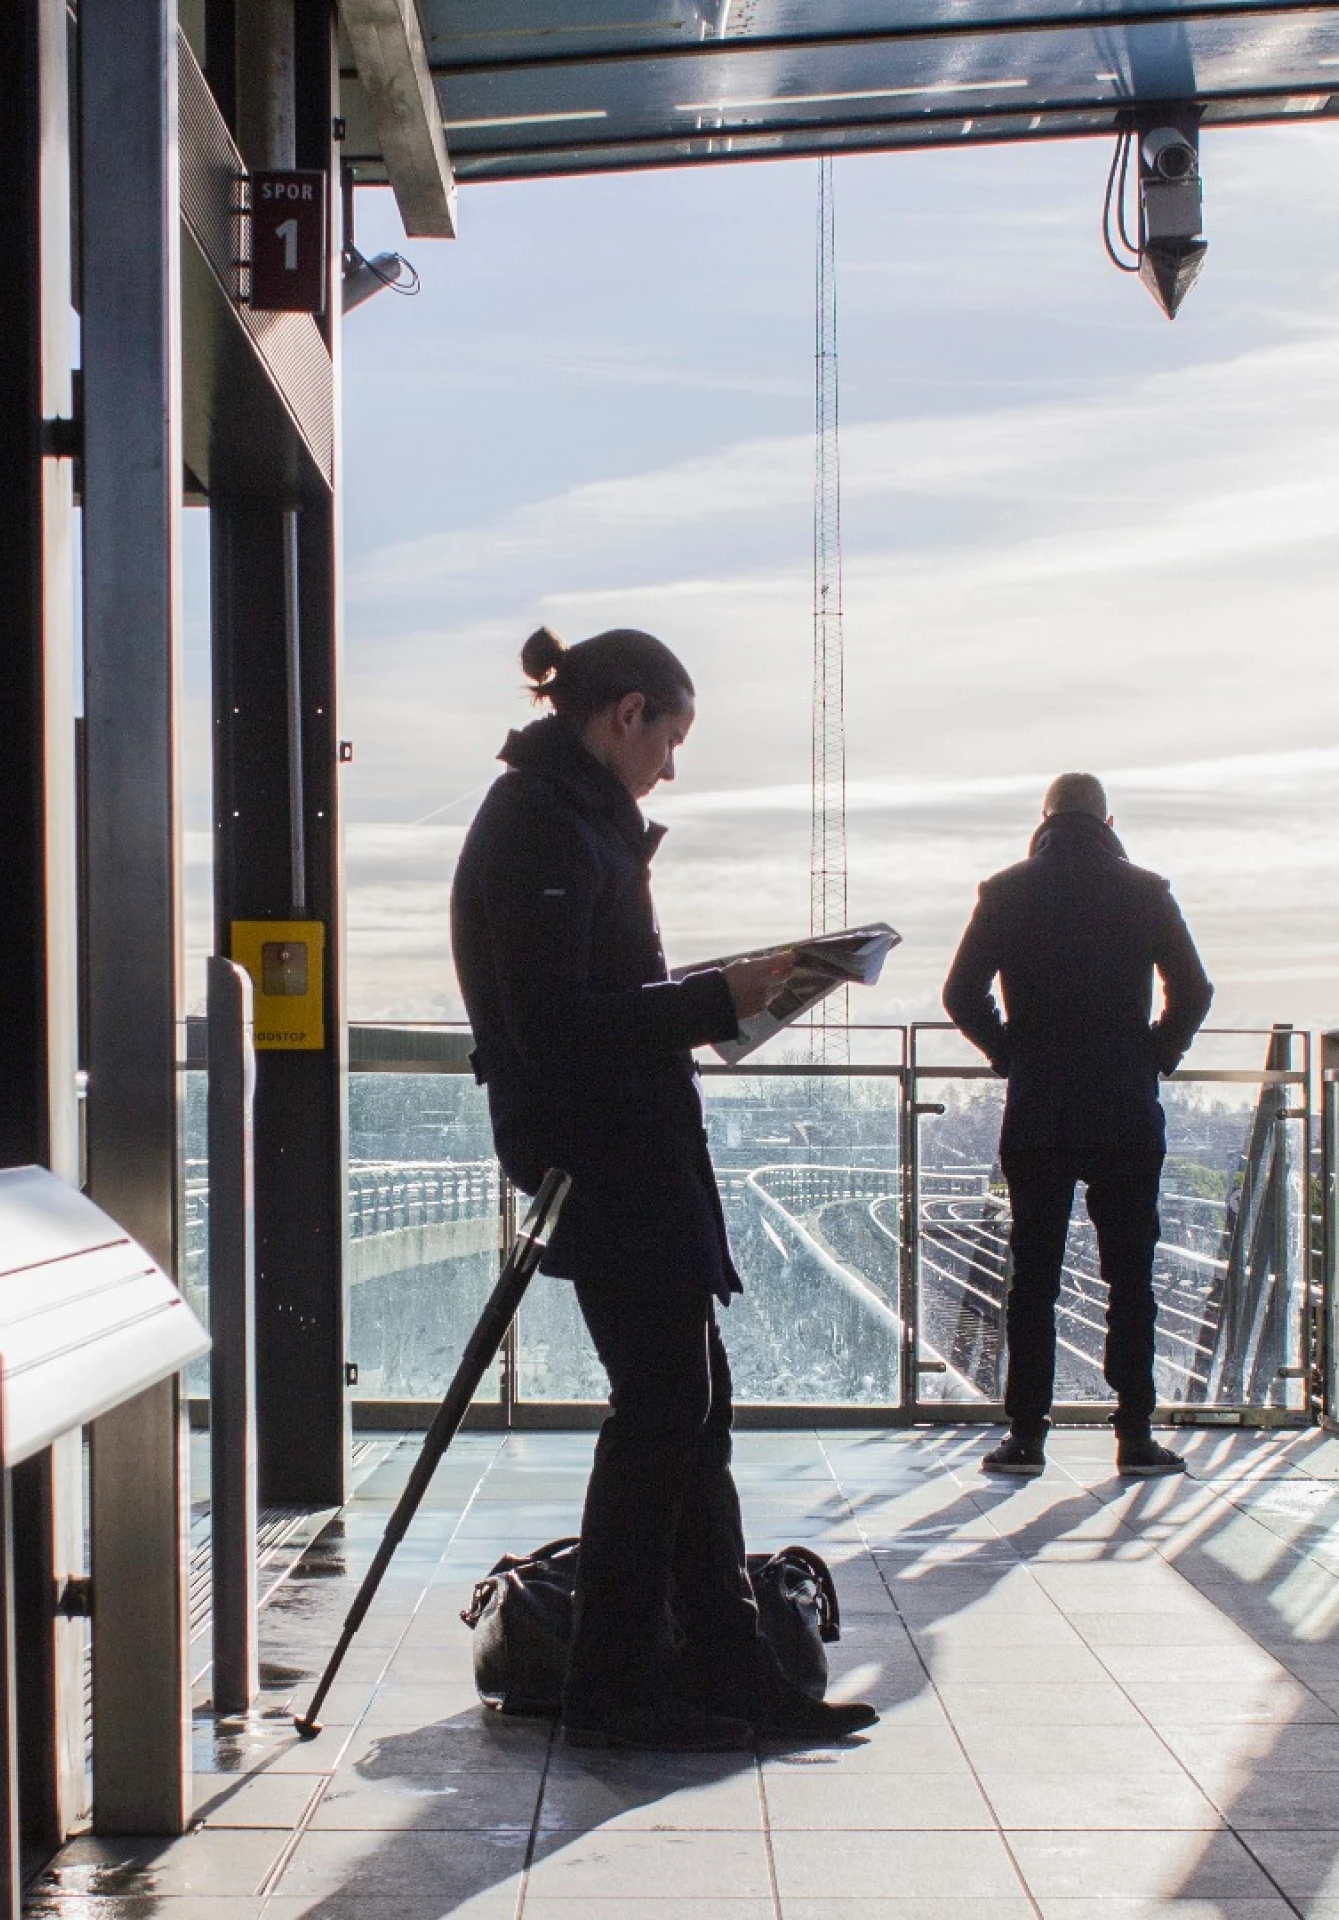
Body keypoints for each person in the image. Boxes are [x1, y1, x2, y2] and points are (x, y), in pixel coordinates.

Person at [450, 625, 881, 1752]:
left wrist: (724, 988)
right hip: (602, 1154)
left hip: (622, 1147)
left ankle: (719, 1668)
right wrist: (710, 998)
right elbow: (555, 1025)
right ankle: (622, 1687)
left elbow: (589, 1001)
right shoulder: (543, 825)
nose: (671, 768)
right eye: (671, 738)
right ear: (627, 712)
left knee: (685, 1410)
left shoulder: (568, 816)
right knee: (662, 1416)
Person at [942, 773, 1214, 1478]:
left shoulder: (1004, 892)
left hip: (1040, 1110)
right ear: (1107, 820)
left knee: (1033, 1279)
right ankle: (1134, 1434)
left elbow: (959, 993)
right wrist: (1155, 1054)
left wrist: (1011, 1053)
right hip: (1124, 1108)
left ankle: (1027, 1435)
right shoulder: (1146, 891)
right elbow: (1195, 989)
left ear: (1045, 820)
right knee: (1131, 1278)